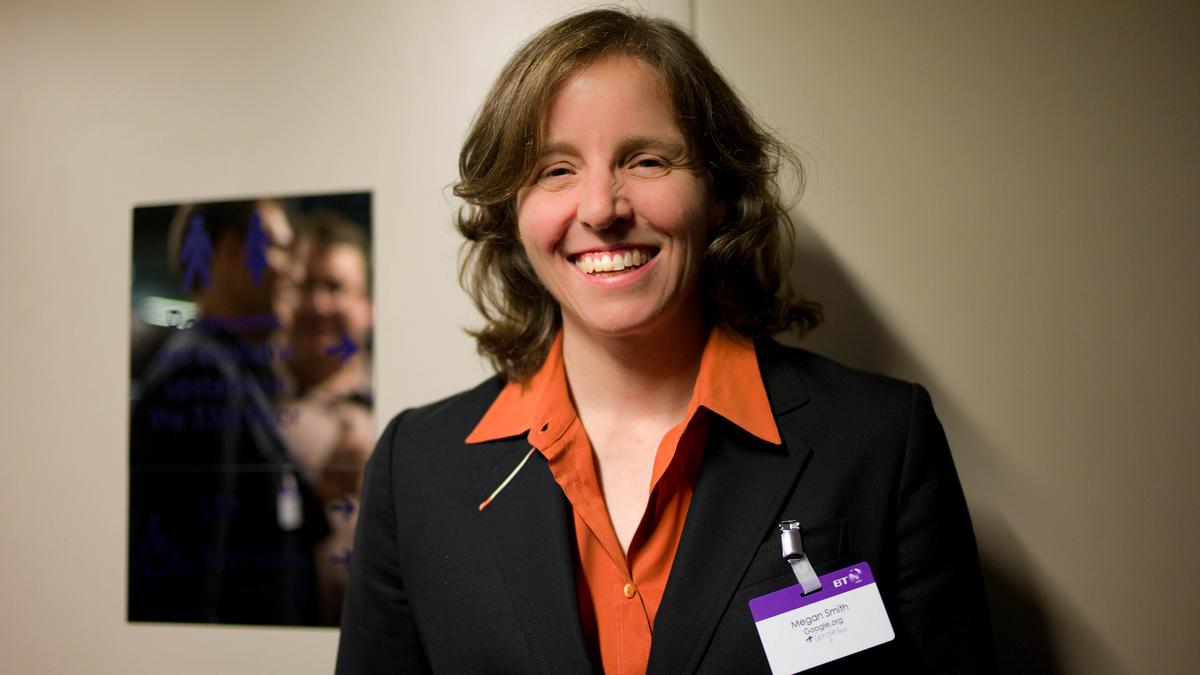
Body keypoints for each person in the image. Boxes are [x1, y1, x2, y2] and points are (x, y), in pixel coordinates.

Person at [336, 9, 994, 673]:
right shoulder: (416, 468)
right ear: (513, 212)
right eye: (555, 170)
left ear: (717, 191)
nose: (601, 208)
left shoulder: (880, 439)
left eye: (647, 160)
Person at [129, 199, 328, 625]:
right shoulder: (201, 371)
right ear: (225, 250)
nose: (292, 270)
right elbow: (188, 566)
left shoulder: (233, 370)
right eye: (276, 246)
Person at [278, 209, 375, 625]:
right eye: (303, 286)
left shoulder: (404, 410)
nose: (317, 305)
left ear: (367, 305)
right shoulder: (244, 402)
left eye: (334, 287)